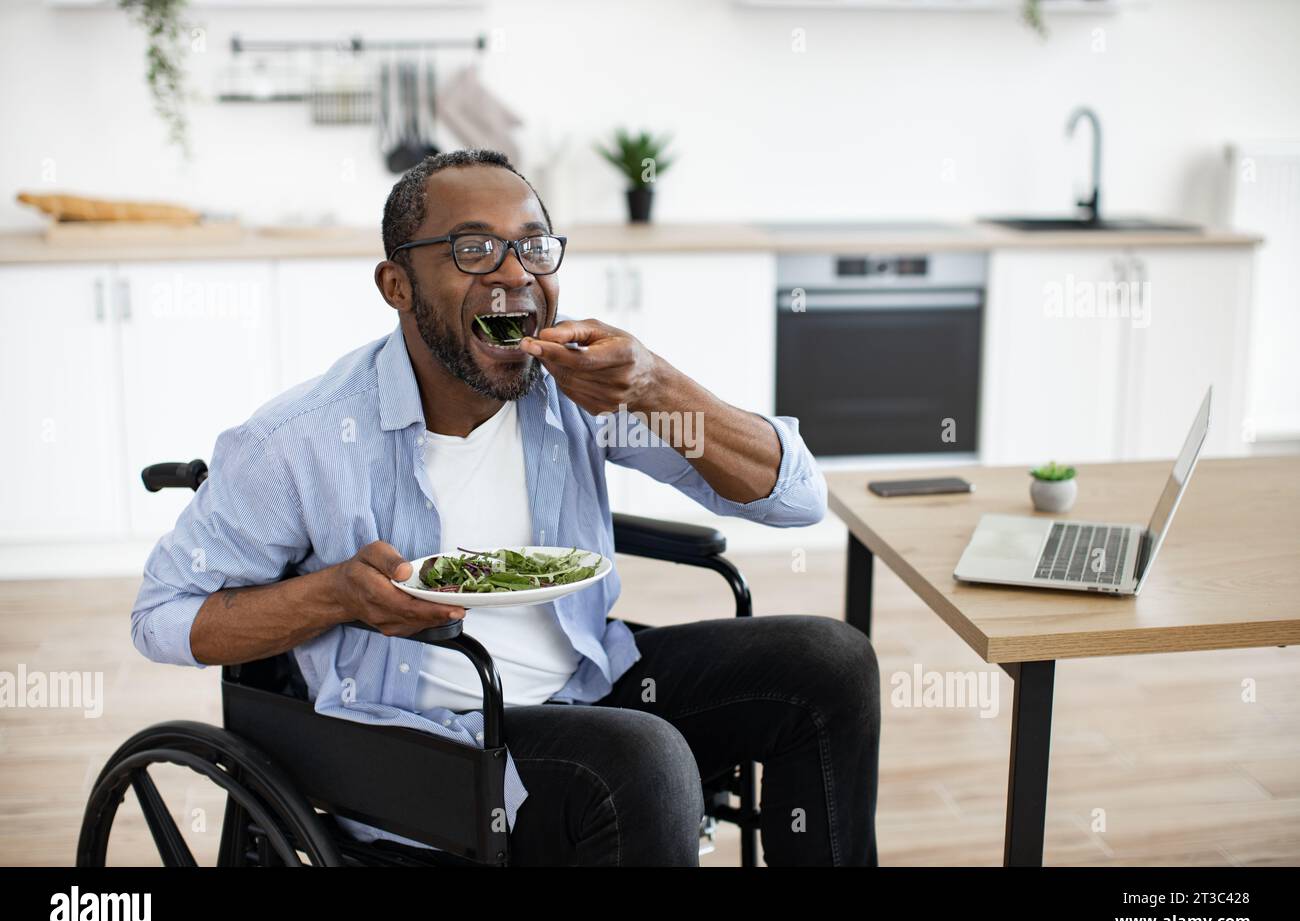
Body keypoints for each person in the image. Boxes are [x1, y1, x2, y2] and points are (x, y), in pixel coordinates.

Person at [132, 148, 880, 865]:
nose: (514, 275)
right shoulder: (300, 441)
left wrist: (653, 385)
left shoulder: (576, 391)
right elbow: (160, 618)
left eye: (532, 247)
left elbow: (796, 498)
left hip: (587, 684)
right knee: (643, 759)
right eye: (473, 250)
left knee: (829, 664)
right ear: (397, 284)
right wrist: (333, 596)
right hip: (419, 742)